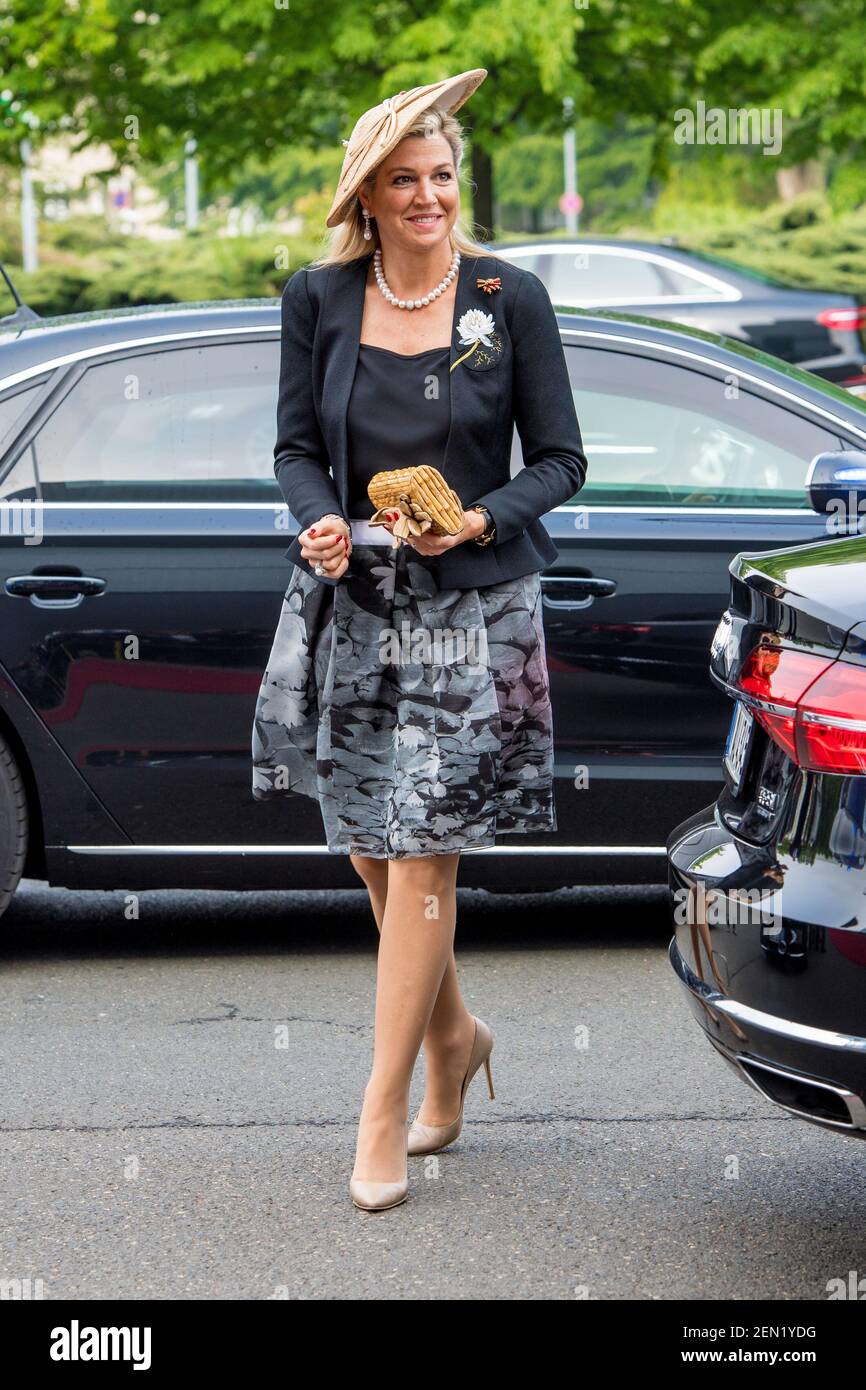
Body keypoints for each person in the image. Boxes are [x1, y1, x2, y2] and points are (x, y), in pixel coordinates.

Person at [251, 69, 588, 1211]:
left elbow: (561, 461)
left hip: (470, 610)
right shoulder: (320, 295)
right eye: (405, 180)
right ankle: (455, 1038)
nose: (429, 196)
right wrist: (321, 520)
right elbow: (296, 447)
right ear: (368, 197)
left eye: (441, 176)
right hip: (356, 605)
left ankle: (379, 1107)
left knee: (422, 854)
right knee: (366, 843)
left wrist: (482, 515)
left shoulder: (510, 294)